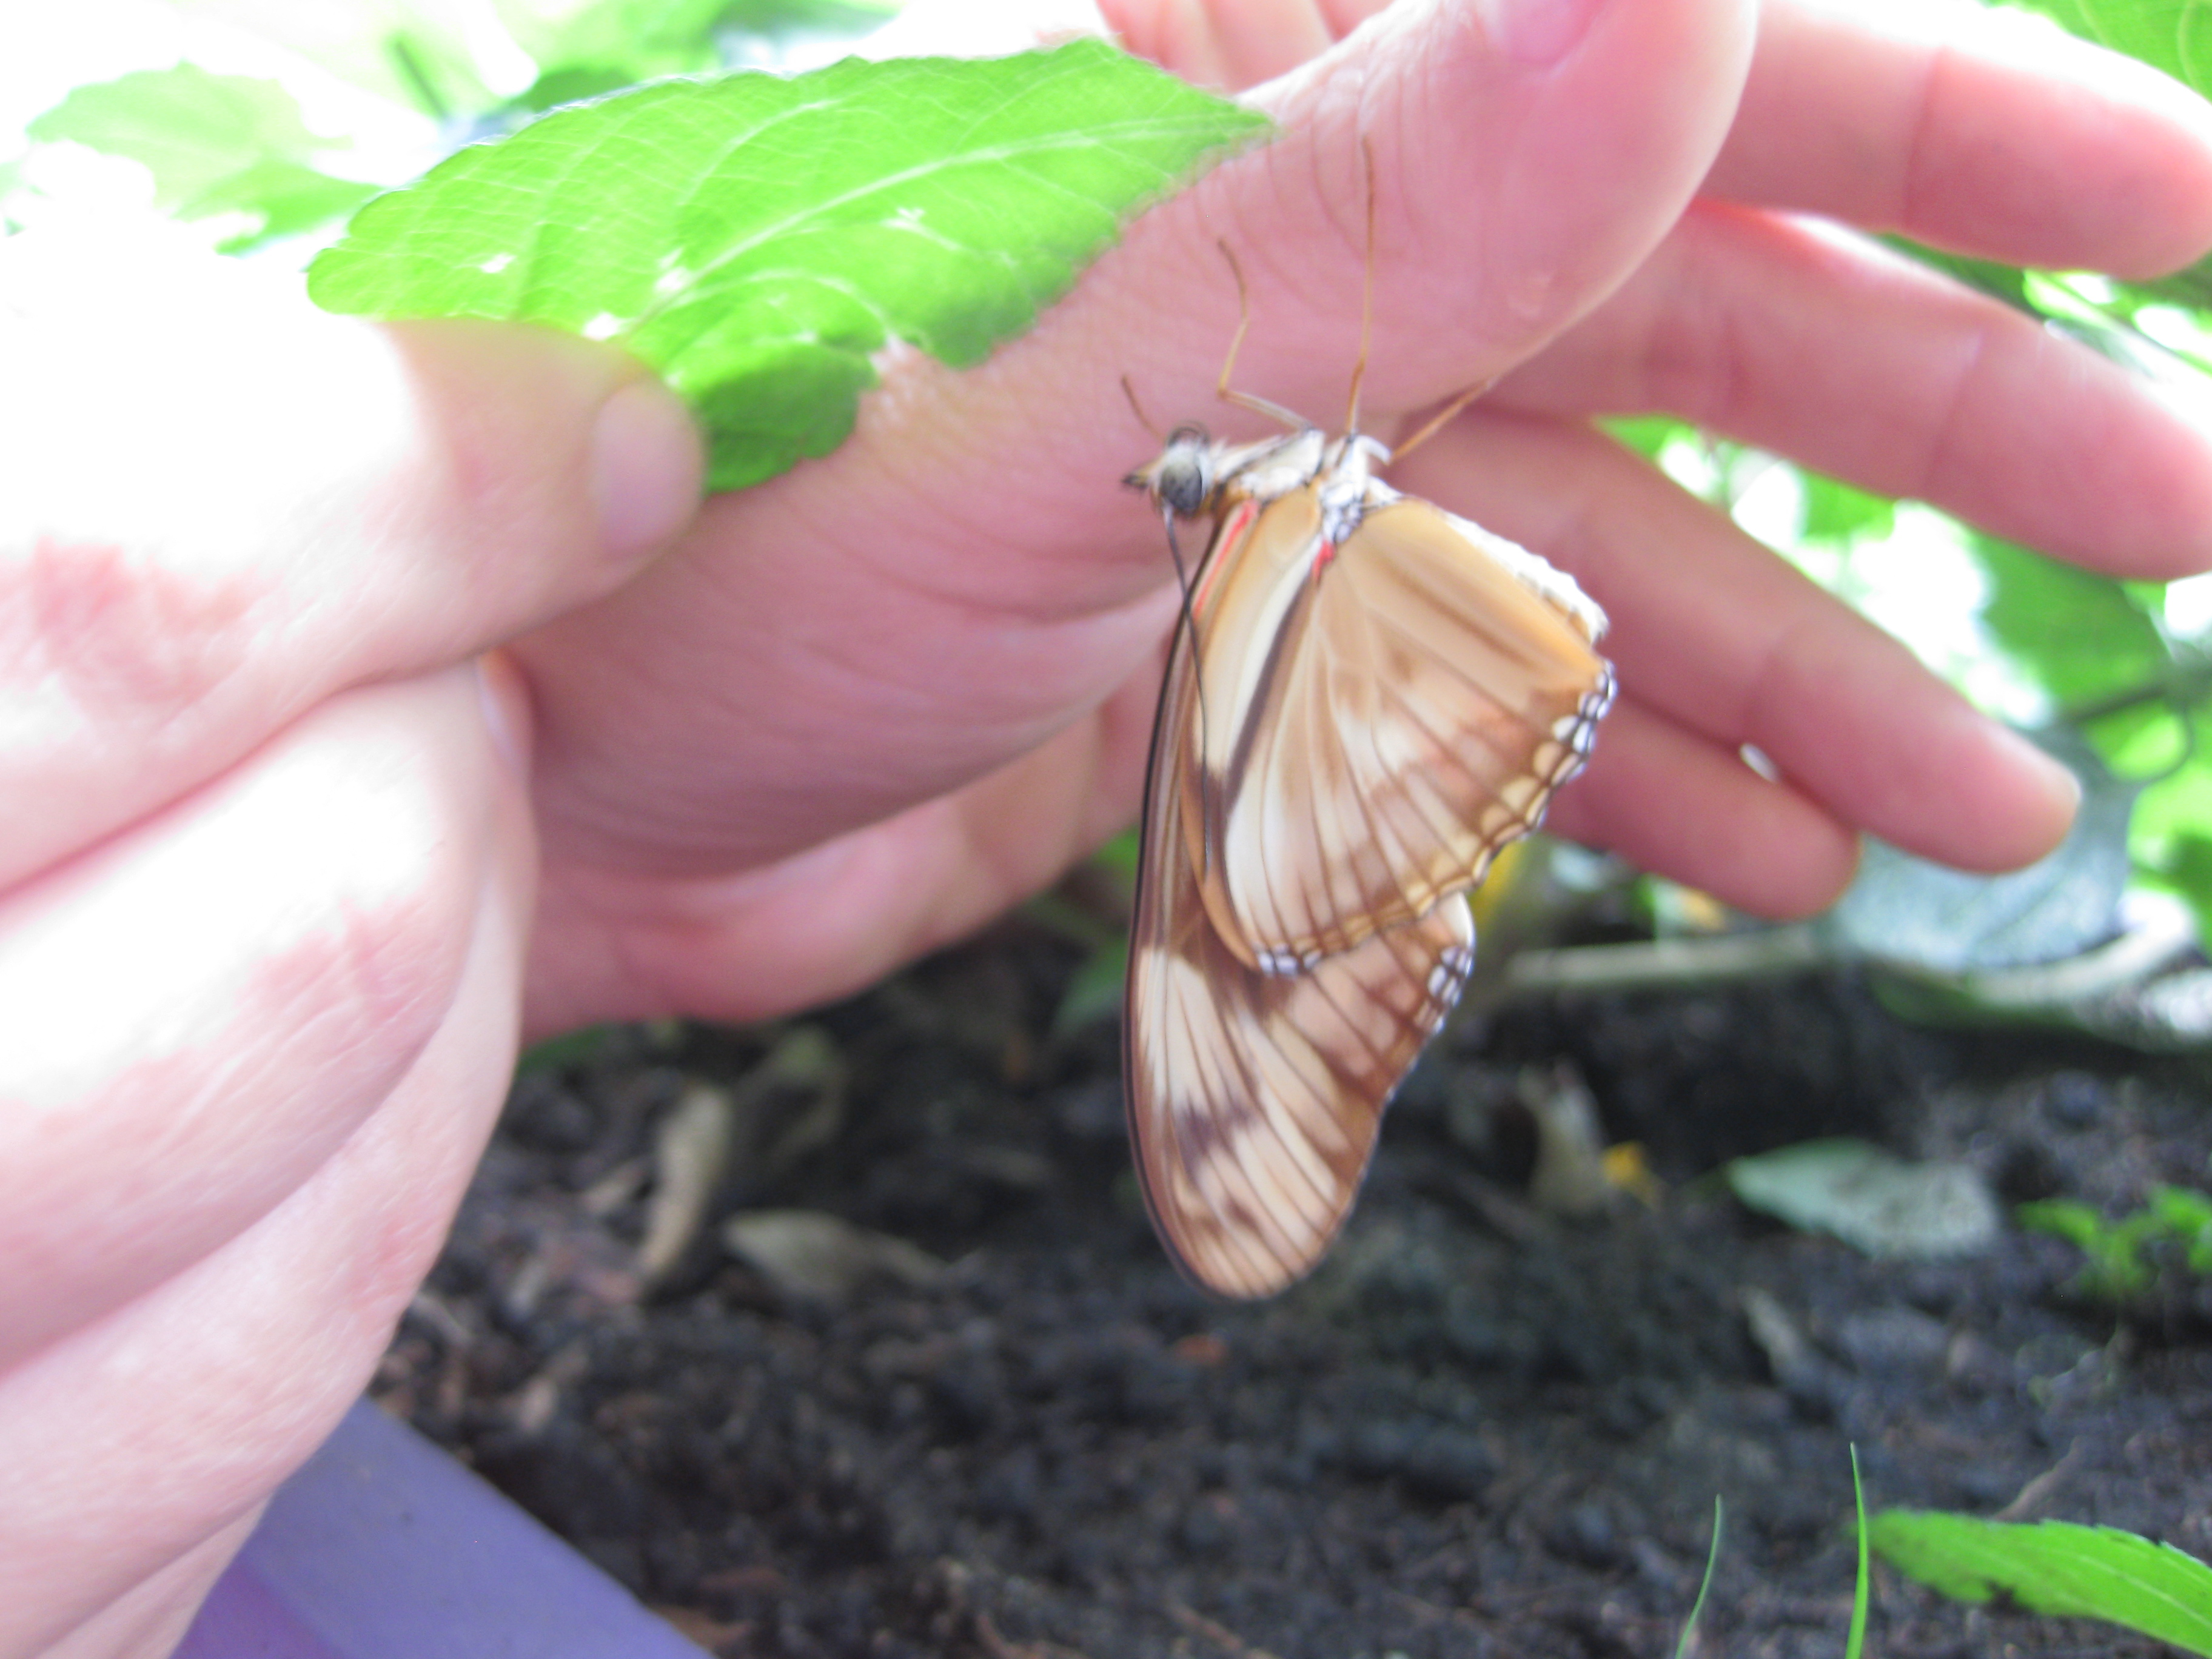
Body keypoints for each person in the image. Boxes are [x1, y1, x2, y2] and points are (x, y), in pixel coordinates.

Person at [7, 0, 2212, 1651]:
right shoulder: (1238, 564)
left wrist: (553, 795)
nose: (1176, 481)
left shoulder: (1243, 546)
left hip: (1300, 698)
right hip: (1306, 700)